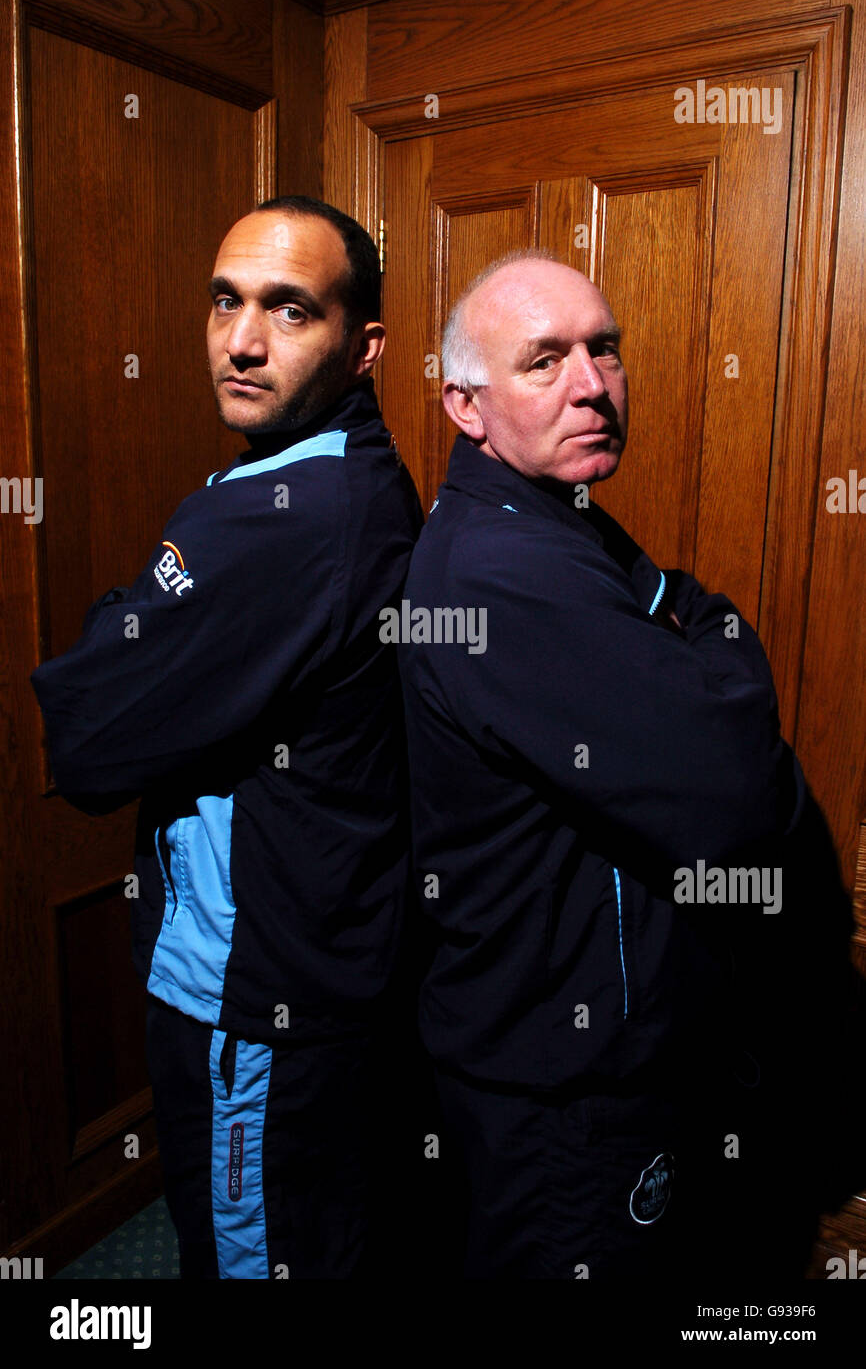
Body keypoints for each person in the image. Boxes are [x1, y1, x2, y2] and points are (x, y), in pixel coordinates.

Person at [397, 249, 859, 1280]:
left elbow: (682, 615)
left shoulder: (553, 521)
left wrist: (692, 638)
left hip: (588, 1056)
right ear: (464, 405)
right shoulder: (505, 567)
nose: (590, 385)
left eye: (601, 349)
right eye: (543, 360)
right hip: (565, 1088)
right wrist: (717, 641)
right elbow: (736, 790)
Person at [31, 196, 423, 1279]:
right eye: (225, 300)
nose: (241, 341)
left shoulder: (284, 515)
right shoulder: (343, 478)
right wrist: (141, 634)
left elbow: (90, 732)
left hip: (257, 993)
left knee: (254, 1261)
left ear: (362, 345)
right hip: (315, 967)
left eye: (290, 309)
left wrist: (127, 628)